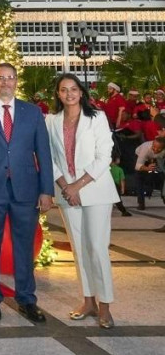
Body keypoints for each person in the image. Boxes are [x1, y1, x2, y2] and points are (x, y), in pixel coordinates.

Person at [0, 63, 54, 323]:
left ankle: (27, 299)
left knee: (24, 246)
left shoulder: (33, 113)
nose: (5, 82)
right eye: (0, 78)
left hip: (26, 189)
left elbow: (44, 153)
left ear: (16, 81)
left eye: (10, 78)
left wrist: (47, 190)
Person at [45, 73, 119, 329]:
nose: (69, 94)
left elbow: (104, 155)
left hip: (95, 190)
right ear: (58, 94)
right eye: (64, 90)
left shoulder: (97, 117)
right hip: (67, 193)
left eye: (74, 89)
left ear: (81, 92)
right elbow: (49, 157)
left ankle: (105, 305)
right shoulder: (51, 121)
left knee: (97, 248)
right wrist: (66, 187)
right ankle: (88, 302)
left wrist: (78, 185)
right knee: (79, 248)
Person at [134, 136, 165, 210]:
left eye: (159, 148)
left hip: (156, 159)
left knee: (162, 177)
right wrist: (147, 168)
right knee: (140, 180)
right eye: (154, 147)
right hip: (142, 159)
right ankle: (141, 203)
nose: (155, 149)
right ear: (152, 143)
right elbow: (137, 166)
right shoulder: (146, 148)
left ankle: (164, 195)